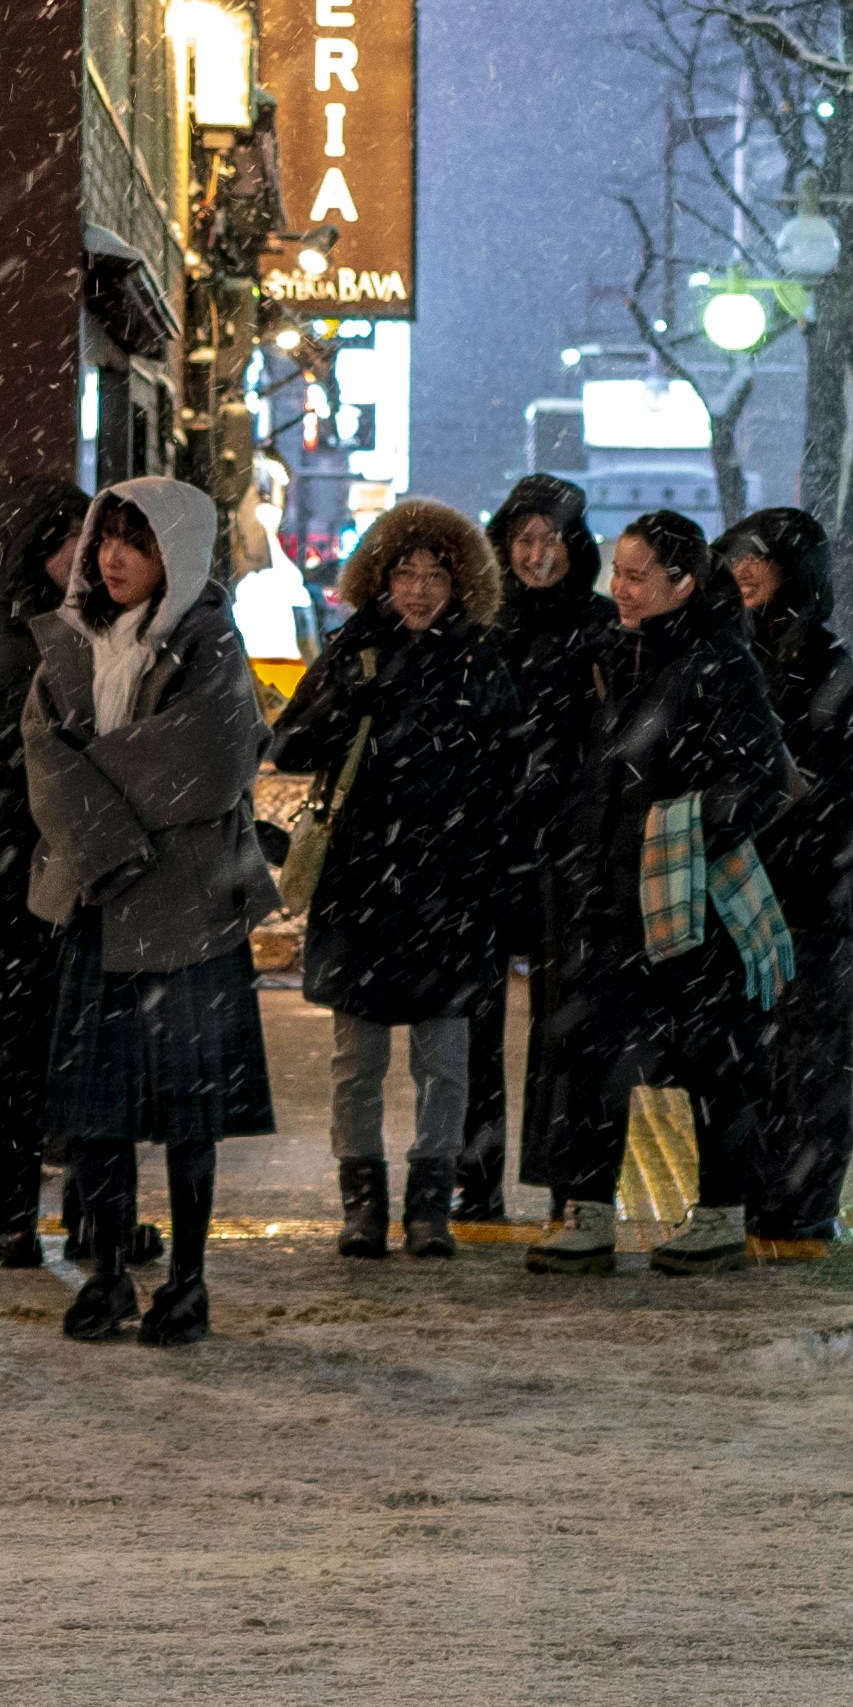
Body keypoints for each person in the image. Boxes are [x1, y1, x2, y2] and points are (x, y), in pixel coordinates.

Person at [10, 470, 279, 1343]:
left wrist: (97, 797)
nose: (115, 556)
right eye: (107, 538)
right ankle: (109, 1274)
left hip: (184, 909)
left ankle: (190, 1282)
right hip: (101, 898)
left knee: (185, 1115)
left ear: (180, 553)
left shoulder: (212, 643)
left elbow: (213, 756)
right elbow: (42, 757)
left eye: (138, 540)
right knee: (98, 1112)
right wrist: (108, 826)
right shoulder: (70, 638)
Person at [265, 493, 537, 1254]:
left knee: (444, 1063)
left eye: (434, 576)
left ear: (461, 586)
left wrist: (503, 885)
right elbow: (291, 747)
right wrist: (347, 702)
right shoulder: (353, 651)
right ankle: (361, 1206)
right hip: (362, 886)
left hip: (450, 890)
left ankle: (429, 1207)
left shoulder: (482, 661)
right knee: (357, 1059)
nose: (418, 589)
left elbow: (511, 780)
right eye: (404, 572)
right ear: (378, 579)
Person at [519, 508, 781, 1274]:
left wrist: (689, 826)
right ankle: (589, 1210)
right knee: (594, 1052)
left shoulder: (719, 663)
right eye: (618, 574)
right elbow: (572, 759)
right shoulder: (609, 654)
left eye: (638, 577)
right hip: (604, 894)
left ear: (684, 582)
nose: (620, 589)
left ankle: (723, 1216)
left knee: (710, 1059)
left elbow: (760, 777)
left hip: (685, 901)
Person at [709, 504, 853, 1255]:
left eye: (762, 559)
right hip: (736, 892)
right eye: (737, 556)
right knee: (740, 1056)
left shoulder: (823, 662)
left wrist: (788, 837)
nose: (744, 570)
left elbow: (850, 792)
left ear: (794, 573)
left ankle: (801, 1201)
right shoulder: (717, 650)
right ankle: (744, 1195)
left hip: (806, 899)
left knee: (808, 1059)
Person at [470, 468, 615, 1203]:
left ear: (575, 545)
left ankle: (566, 1179)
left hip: (569, 845)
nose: (536, 555)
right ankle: (475, 1173)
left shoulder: (599, 625)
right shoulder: (484, 624)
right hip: (491, 842)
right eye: (523, 540)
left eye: (550, 539)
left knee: (565, 1018)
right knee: (476, 1019)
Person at [0, 509, 73, 1273]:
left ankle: (20, 1216)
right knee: (29, 1040)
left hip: (35, 855)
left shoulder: (21, 624)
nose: (86, 557)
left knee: (37, 1037)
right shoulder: (20, 632)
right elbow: (35, 741)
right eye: (69, 543)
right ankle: (8, 1217)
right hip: (30, 859)